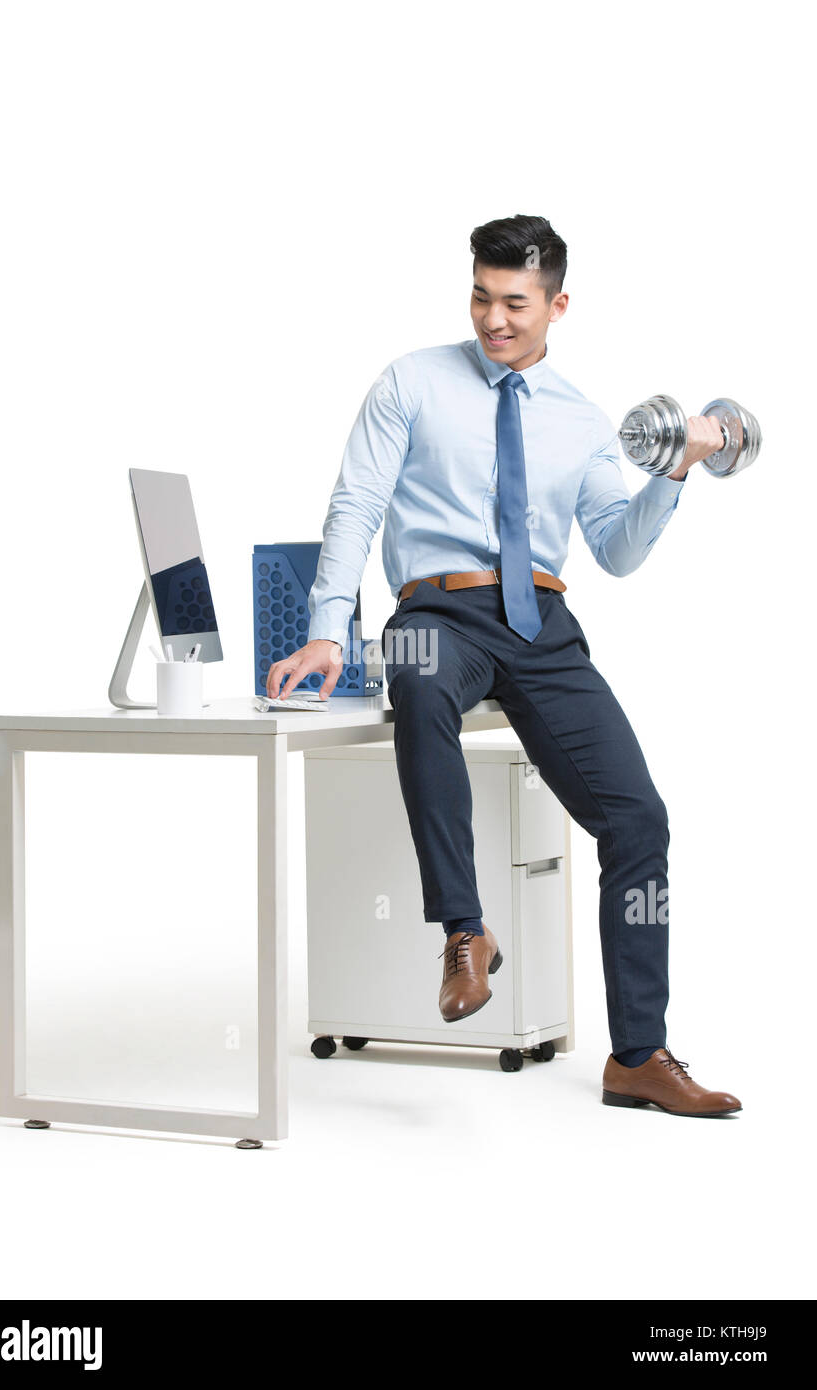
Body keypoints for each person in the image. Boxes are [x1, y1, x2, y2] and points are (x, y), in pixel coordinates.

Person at [266, 213, 742, 1119]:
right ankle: (463, 931)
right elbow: (357, 504)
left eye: (515, 303)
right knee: (412, 677)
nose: (494, 319)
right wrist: (330, 626)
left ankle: (638, 1055)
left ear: (558, 303)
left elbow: (616, 550)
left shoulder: (583, 420)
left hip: (544, 623)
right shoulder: (411, 381)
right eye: (481, 297)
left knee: (639, 820)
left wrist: (672, 475)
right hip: (433, 611)